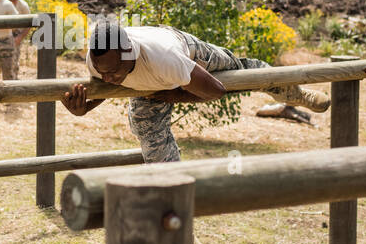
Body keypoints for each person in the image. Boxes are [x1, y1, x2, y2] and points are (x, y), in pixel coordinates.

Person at [61, 20, 331, 164]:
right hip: (151, 87)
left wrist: (174, 95)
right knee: (149, 136)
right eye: (102, 71)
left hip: (185, 51)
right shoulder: (100, 61)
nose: (107, 78)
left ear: (128, 53)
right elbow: (107, 88)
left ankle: (295, 95)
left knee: (241, 71)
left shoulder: (166, 59)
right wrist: (83, 109)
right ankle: (180, 221)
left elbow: (217, 90)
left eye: (113, 72)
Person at [5, 0, 32, 78]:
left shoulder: (23, 5)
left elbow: (29, 23)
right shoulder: (2, 2)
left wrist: (20, 37)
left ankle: (13, 81)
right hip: (1, 33)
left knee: (13, 61)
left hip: (15, 34)